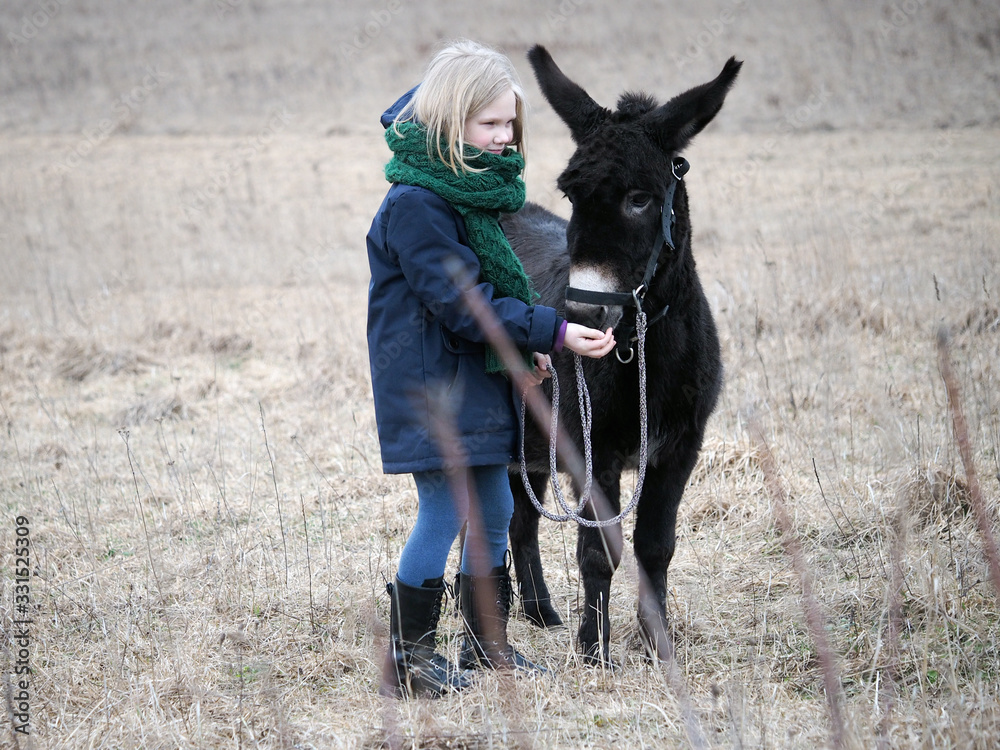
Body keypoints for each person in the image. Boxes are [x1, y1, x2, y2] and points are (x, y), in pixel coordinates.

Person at [366, 39, 615, 699]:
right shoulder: (417, 205)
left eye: (511, 125)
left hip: (471, 381)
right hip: (430, 390)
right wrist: (553, 329)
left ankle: (486, 647)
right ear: (451, 122)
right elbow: (464, 302)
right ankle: (408, 660)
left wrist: (524, 346)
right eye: (490, 125)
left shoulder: (474, 198)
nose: (505, 137)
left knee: (498, 501)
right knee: (445, 509)